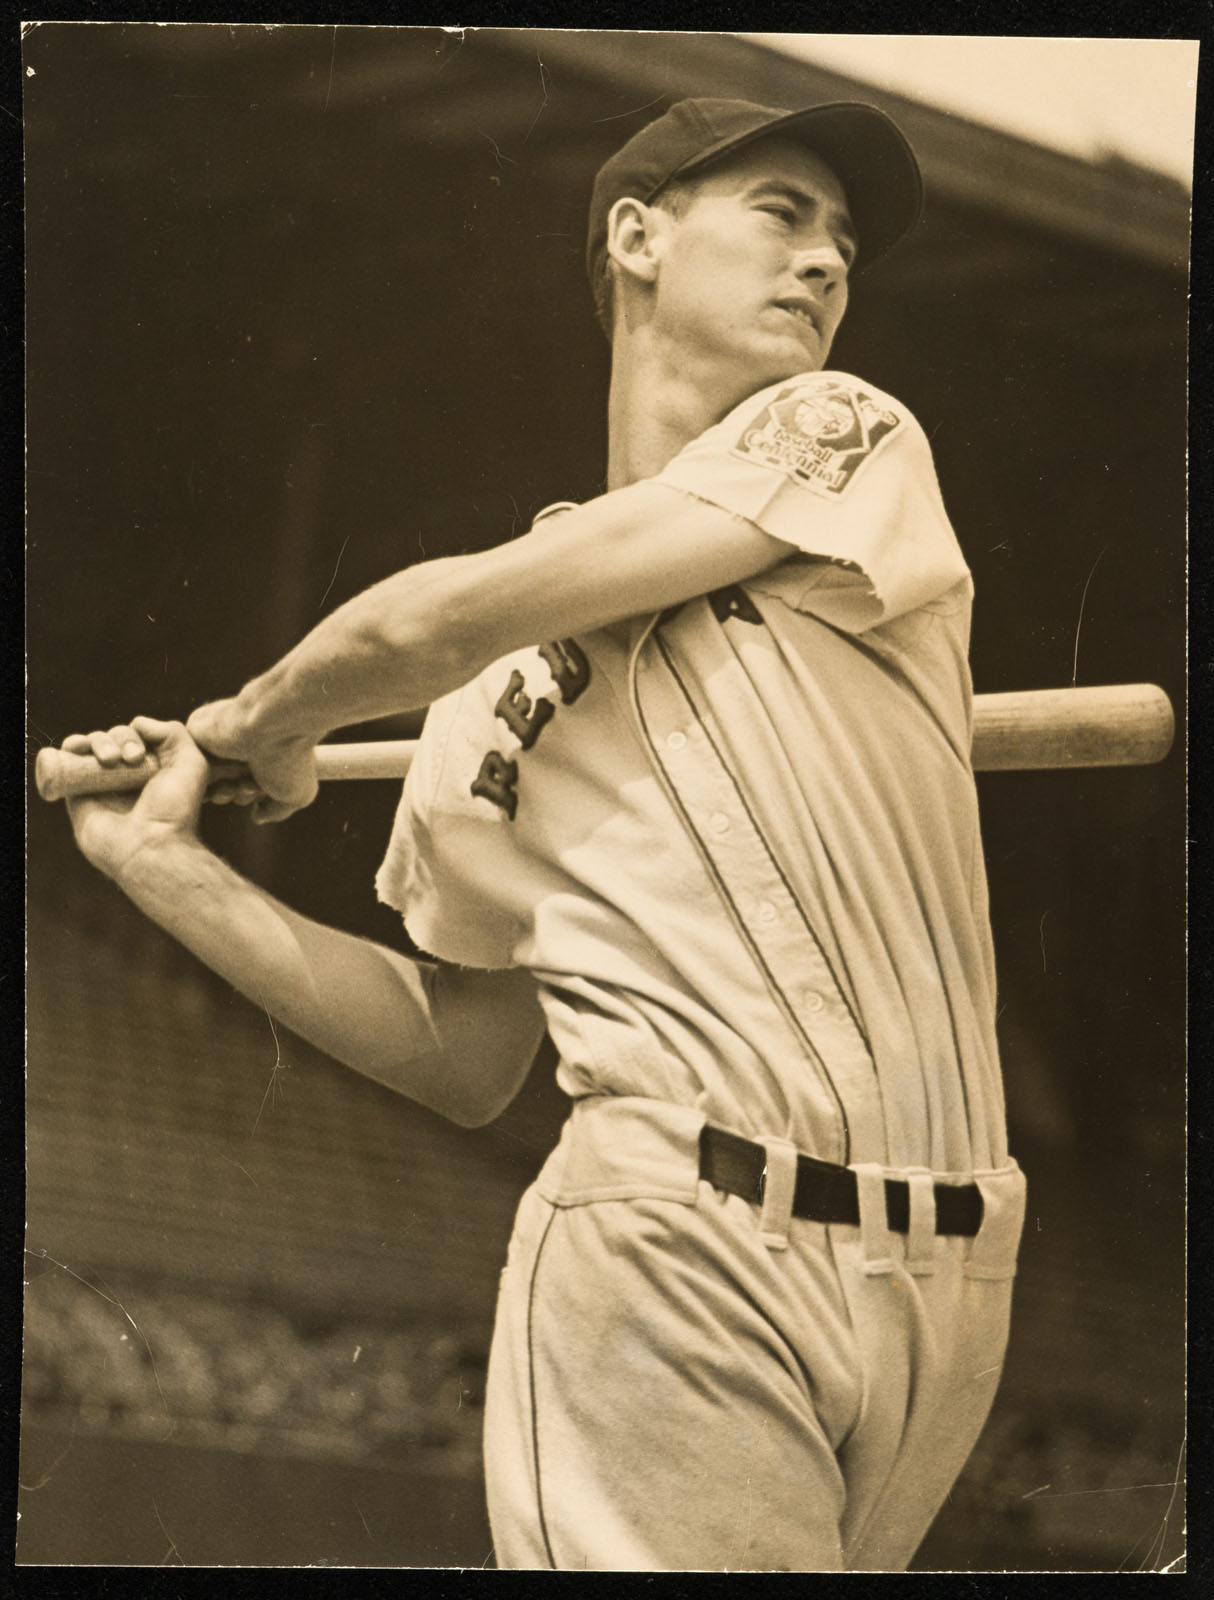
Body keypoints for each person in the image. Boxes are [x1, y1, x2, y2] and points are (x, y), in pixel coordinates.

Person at [59, 98, 1026, 1571]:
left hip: (953, 1265)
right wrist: (166, 868)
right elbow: (461, 1051)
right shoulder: (479, 704)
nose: (827, 263)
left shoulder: (839, 436)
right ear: (638, 238)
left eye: (842, 242)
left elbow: (418, 619)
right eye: (782, 212)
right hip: (673, 1237)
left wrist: (266, 721)